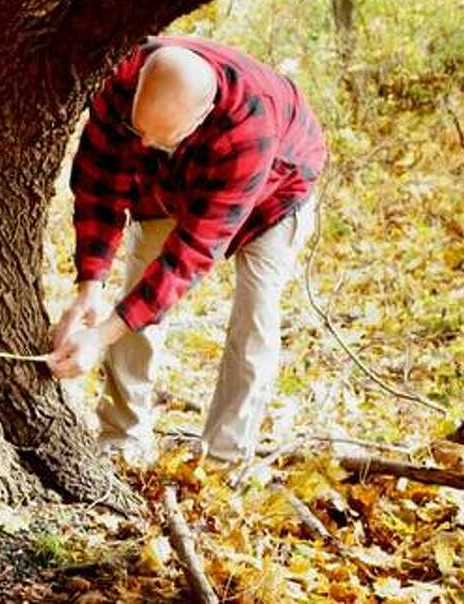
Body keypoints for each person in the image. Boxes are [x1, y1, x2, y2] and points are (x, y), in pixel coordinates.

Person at [47, 36, 326, 467]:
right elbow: (98, 187)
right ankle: (122, 438)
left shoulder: (249, 129)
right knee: (134, 291)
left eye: (159, 138)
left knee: (254, 315)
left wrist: (100, 336)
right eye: (138, 131)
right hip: (167, 183)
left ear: (202, 115)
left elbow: (190, 256)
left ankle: (223, 458)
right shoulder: (118, 79)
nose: (143, 144)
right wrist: (90, 288)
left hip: (276, 190)